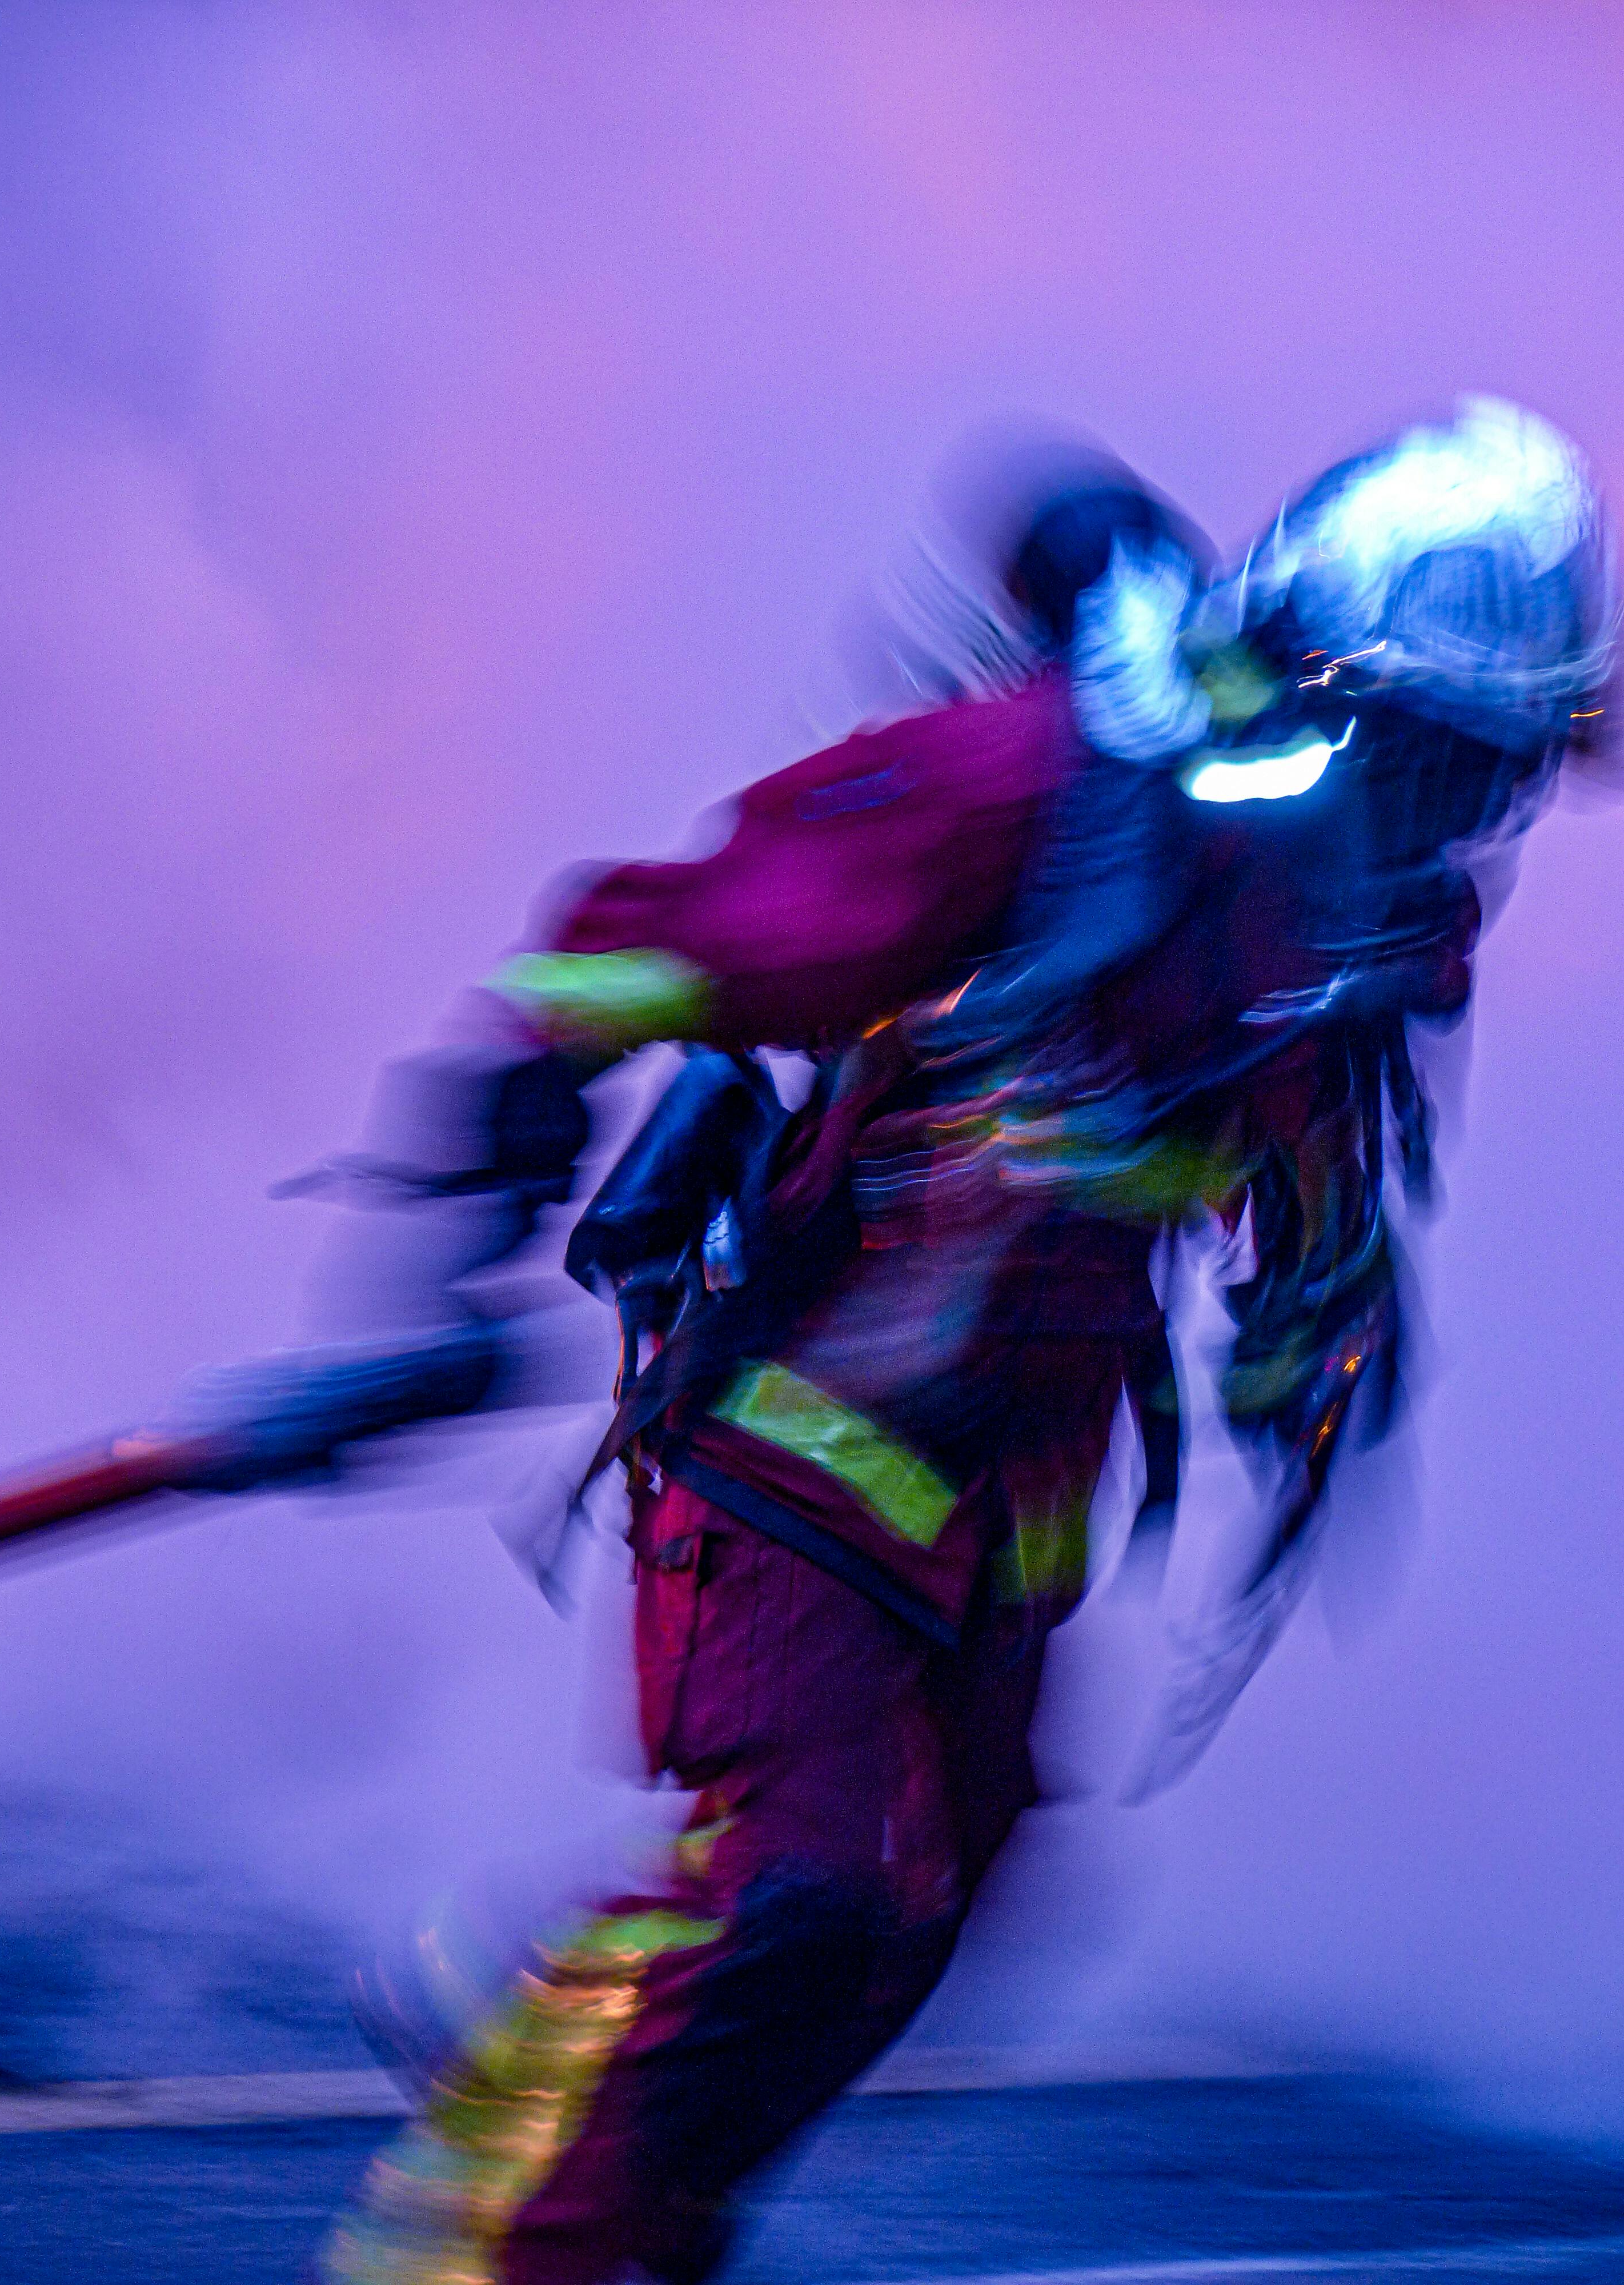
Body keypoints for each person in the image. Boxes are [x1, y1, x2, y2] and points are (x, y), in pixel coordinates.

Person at [315, 403, 1613, 2285]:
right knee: (805, 1893)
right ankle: (499, 2244)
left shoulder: (1367, 921)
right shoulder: (1038, 793)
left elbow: (1299, 1160)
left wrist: (1312, 1335)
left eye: (1491, 776)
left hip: (1011, 1496)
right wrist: (464, 1227)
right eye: (1429, 756)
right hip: (791, 1432)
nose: (1457, 820)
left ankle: (597, 2143)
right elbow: (636, 952)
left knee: (924, 1910)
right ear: (1316, 680)